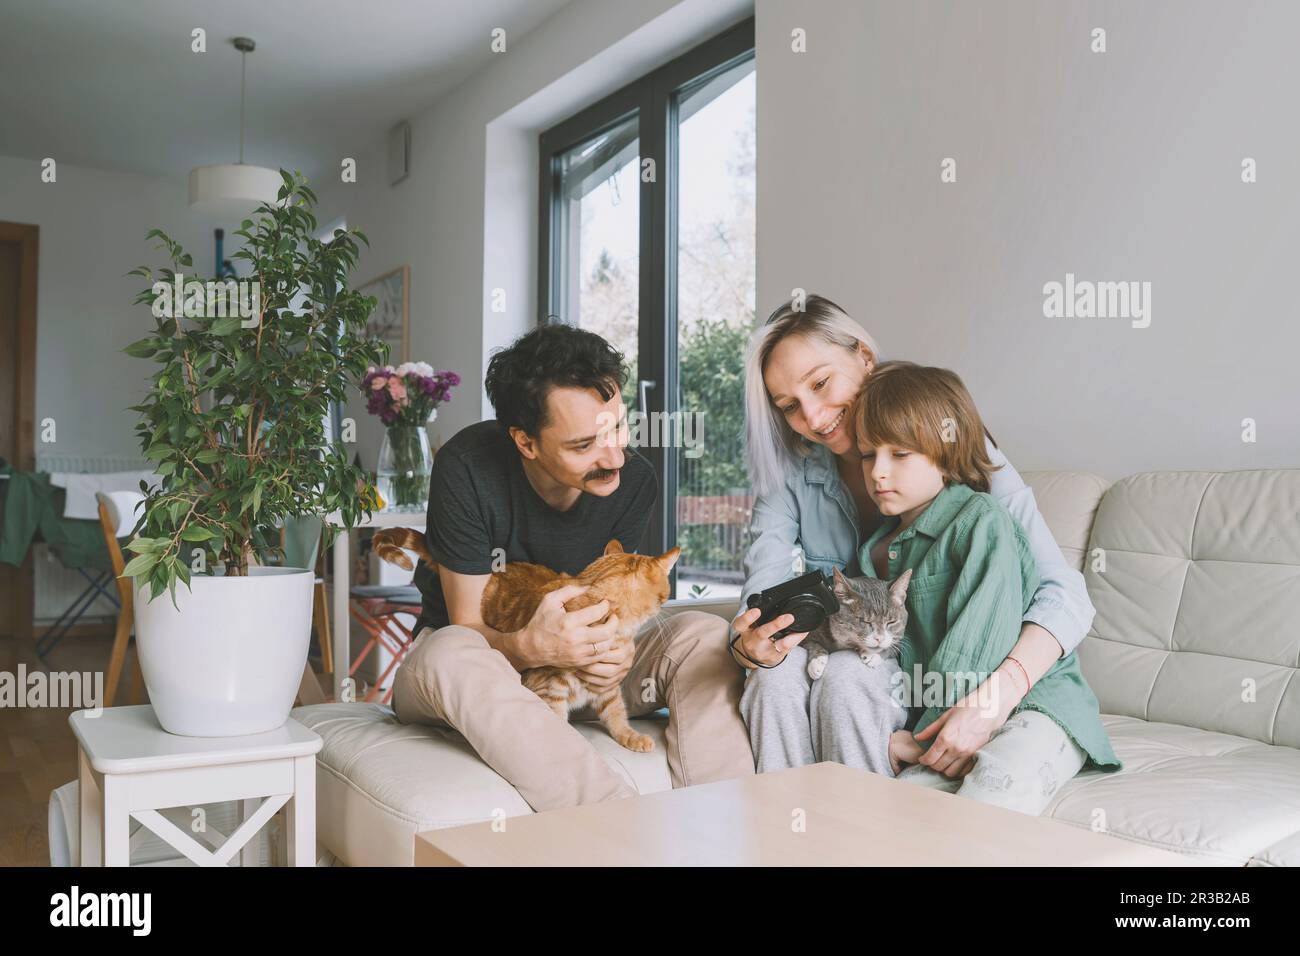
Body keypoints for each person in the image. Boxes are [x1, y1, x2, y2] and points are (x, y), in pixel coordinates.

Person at [734, 294, 1097, 785]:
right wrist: (748, 644)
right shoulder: (791, 477)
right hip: (883, 661)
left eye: (821, 384)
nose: (816, 418)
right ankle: (788, 835)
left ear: (864, 355)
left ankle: (865, 835)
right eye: (790, 407)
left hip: (949, 672)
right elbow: (760, 601)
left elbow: (1064, 594)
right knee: (773, 681)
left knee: (849, 679)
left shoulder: (946, 447)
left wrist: (992, 699)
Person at [391, 323, 754, 811]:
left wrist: (620, 653)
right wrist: (529, 645)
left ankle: (724, 820)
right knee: (449, 648)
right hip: (483, 670)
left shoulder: (634, 480)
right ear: (526, 441)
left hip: (580, 675)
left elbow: (620, 606)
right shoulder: (468, 466)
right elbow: (469, 623)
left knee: (701, 636)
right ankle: (612, 827)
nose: (614, 457)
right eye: (584, 446)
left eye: (618, 430)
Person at [856, 361, 1119, 814]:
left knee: (995, 789)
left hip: (1034, 707)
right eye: (867, 454)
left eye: (899, 455)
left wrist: (928, 736)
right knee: (900, 811)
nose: (879, 472)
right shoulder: (877, 550)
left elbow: (975, 644)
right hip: (950, 714)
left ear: (945, 451)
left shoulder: (982, 521)